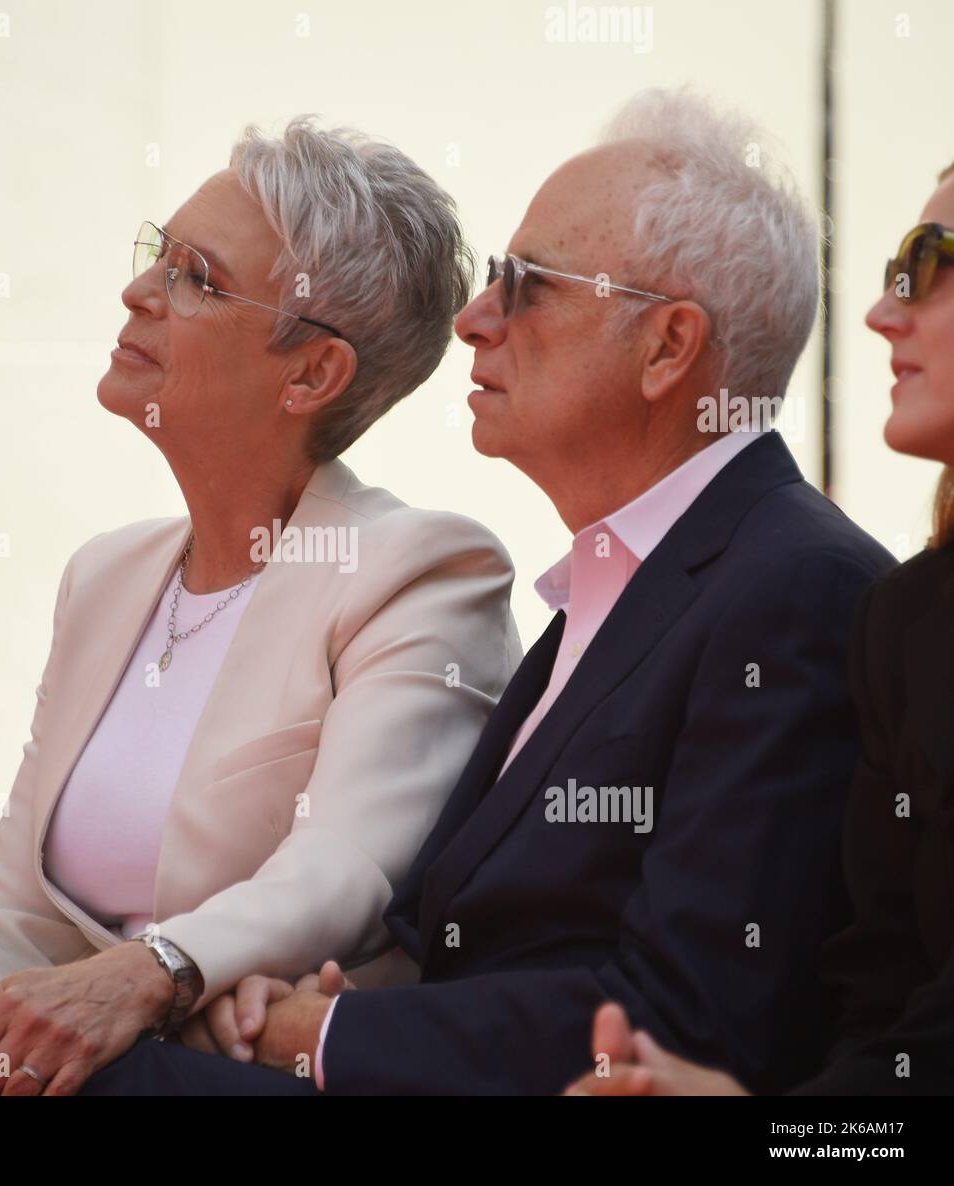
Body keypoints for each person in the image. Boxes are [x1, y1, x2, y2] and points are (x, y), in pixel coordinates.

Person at [78, 86, 894, 1097]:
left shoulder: (794, 588)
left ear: (669, 348)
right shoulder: (622, 587)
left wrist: (320, 1034)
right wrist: (318, 1005)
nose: (472, 319)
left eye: (528, 284)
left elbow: (690, 1016)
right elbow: (491, 944)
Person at [0, 116, 521, 1095]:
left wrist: (153, 972)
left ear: (311, 374)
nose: (137, 290)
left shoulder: (419, 568)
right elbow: (7, 923)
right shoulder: (104, 577)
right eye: (158, 253)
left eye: (194, 275)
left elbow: (346, 867)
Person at [565, 160, 954, 1098]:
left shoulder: (810, 588)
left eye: (928, 263)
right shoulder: (907, 622)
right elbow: (887, 1024)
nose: (879, 313)